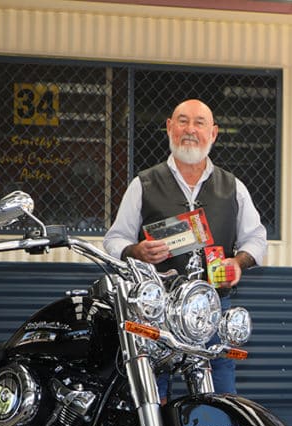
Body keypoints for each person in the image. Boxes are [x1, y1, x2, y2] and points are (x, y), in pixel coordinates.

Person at [103, 99, 268, 396]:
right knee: (154, 392)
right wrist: (135, 251)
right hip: (157, 308)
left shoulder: (233, 187)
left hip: (213, 308)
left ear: (214, 133)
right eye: (182, 121)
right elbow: (114, 240)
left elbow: (256, 238)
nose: (190, 130)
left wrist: (238, 263)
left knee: (220, 394)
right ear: (169, 127)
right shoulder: (144, 184)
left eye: (199, 123)